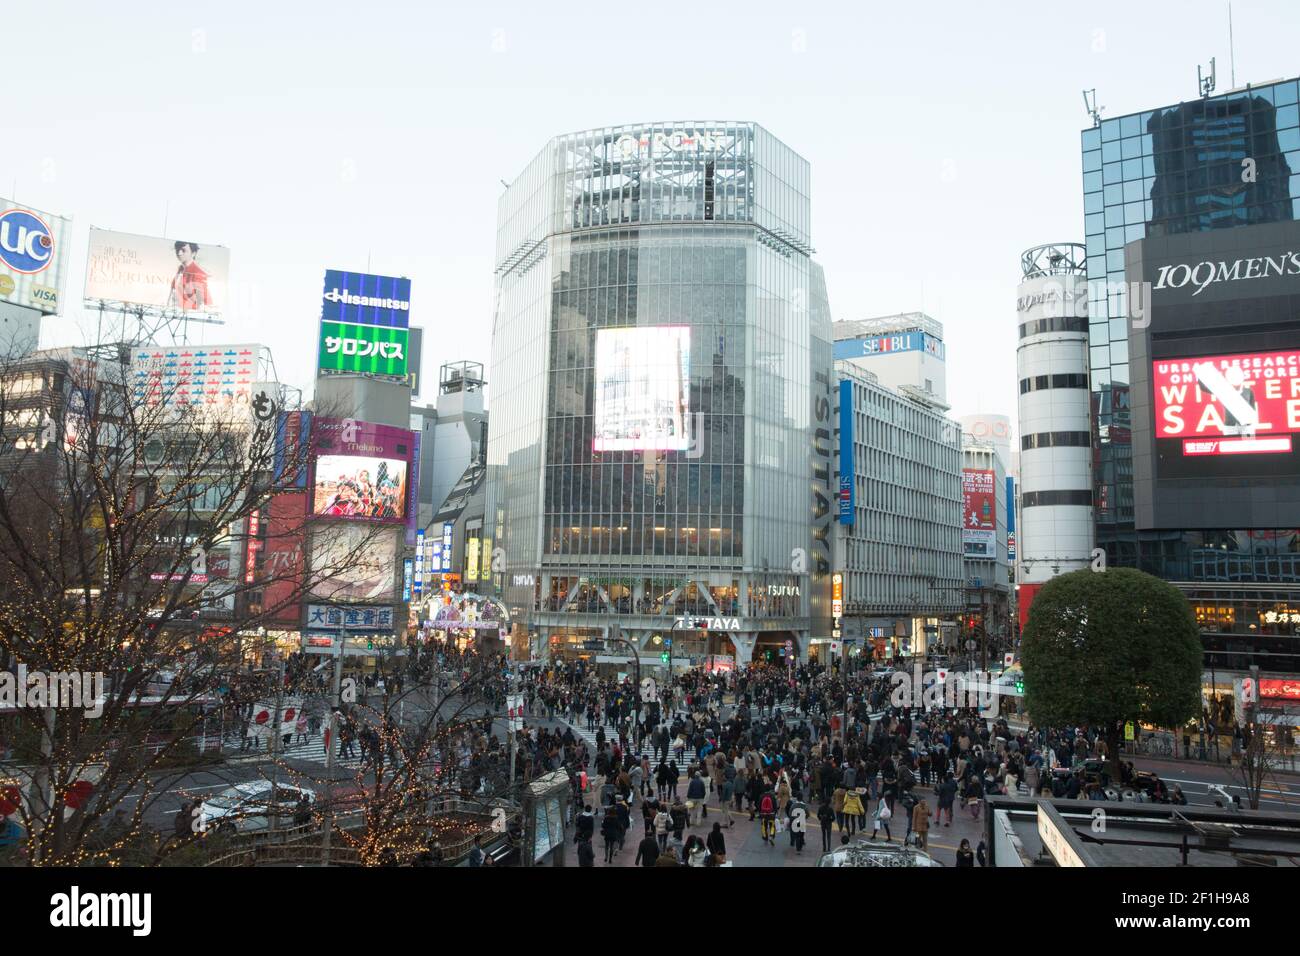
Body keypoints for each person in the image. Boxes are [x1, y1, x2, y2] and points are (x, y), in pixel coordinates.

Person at [169, 241, 212, 311]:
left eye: (183, 250)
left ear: (193, 253)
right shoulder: (181, 268)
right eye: (177, 249)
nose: (179, 253)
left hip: (187, 315)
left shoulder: (198, 273)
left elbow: (205, 302)